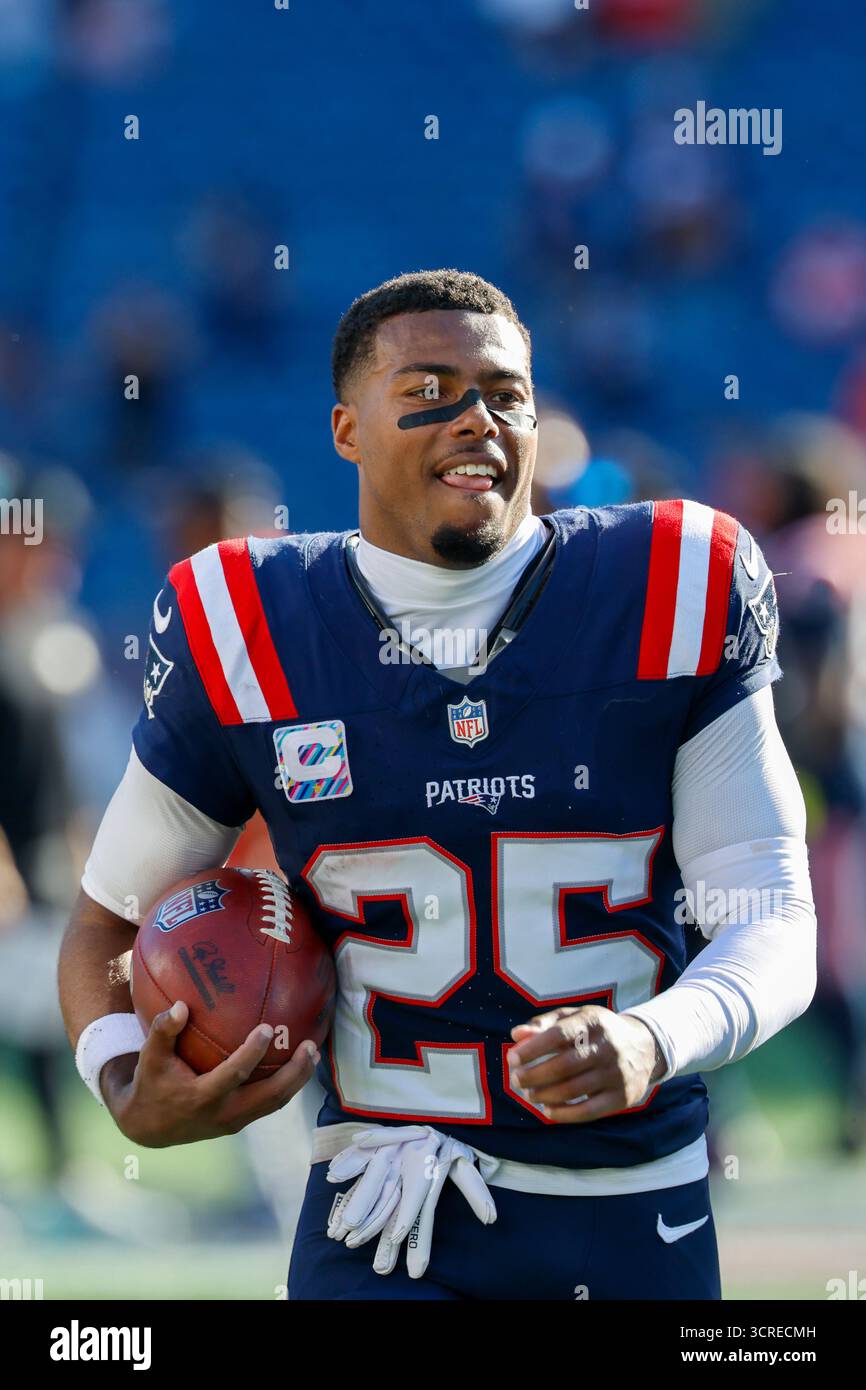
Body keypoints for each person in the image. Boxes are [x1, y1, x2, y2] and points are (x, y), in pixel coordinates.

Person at [58, 269, 817, 1300]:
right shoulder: (243, 621)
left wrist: (652, 1036)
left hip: (634, 1212)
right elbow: (107, 921)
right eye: (429, 390)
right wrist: (118, 1074)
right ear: (346, 430)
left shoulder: (672, 582)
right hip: (380, 1211)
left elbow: (767, 903)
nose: (476, 420)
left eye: (505, 395)